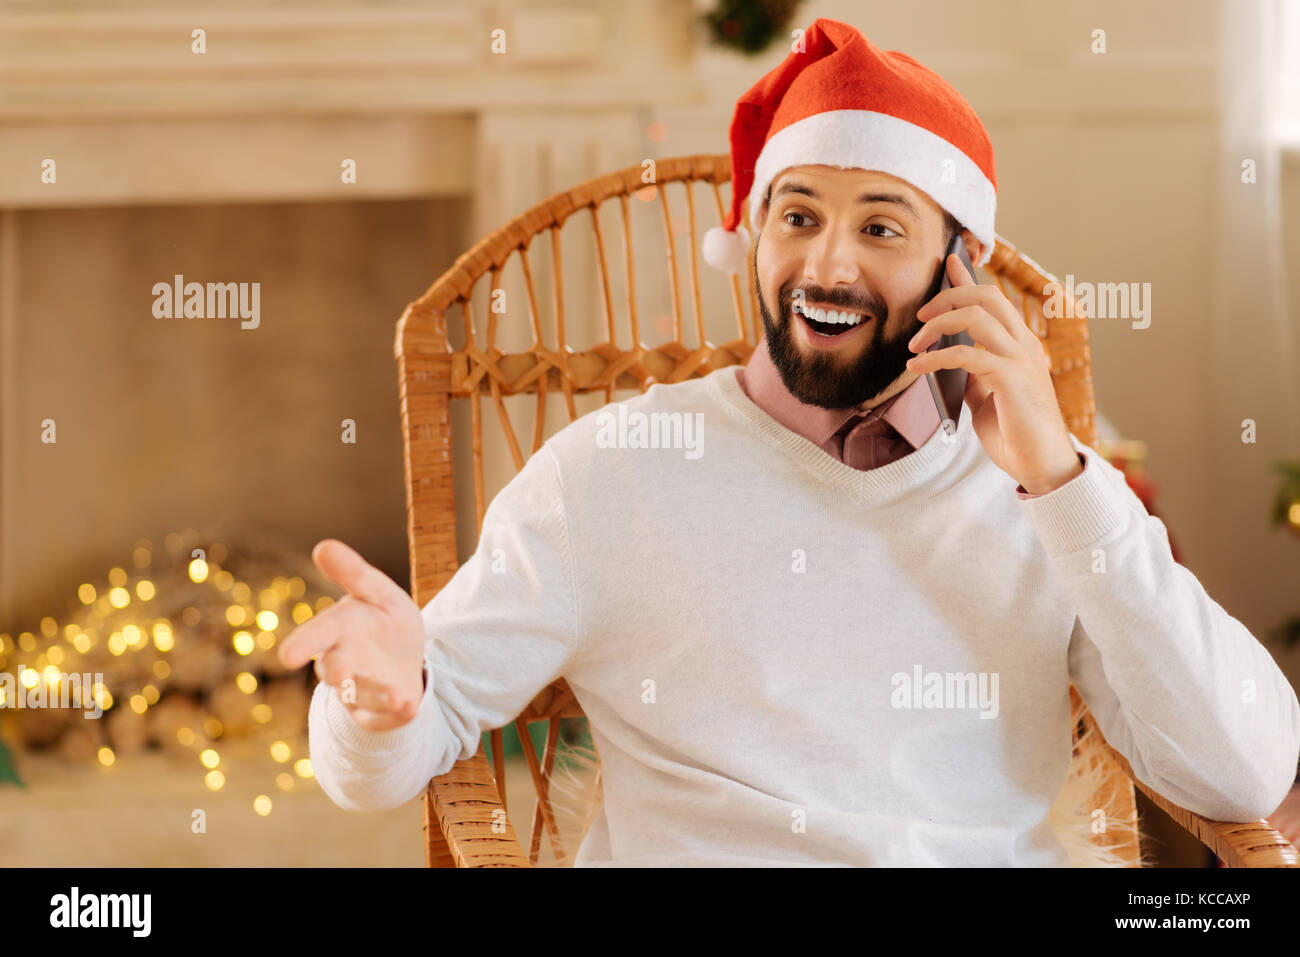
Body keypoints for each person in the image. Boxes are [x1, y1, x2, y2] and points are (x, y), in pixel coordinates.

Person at [278, 18, 1300, 867]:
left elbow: (1240, 772)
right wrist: (377, 706)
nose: (827, 262)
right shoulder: (613, 474)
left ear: (964, 265)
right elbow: (399, 749)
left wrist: (1064, 482)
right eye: (797, 215)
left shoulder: (1046, 497)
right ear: (752, 234)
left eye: (882, 227)